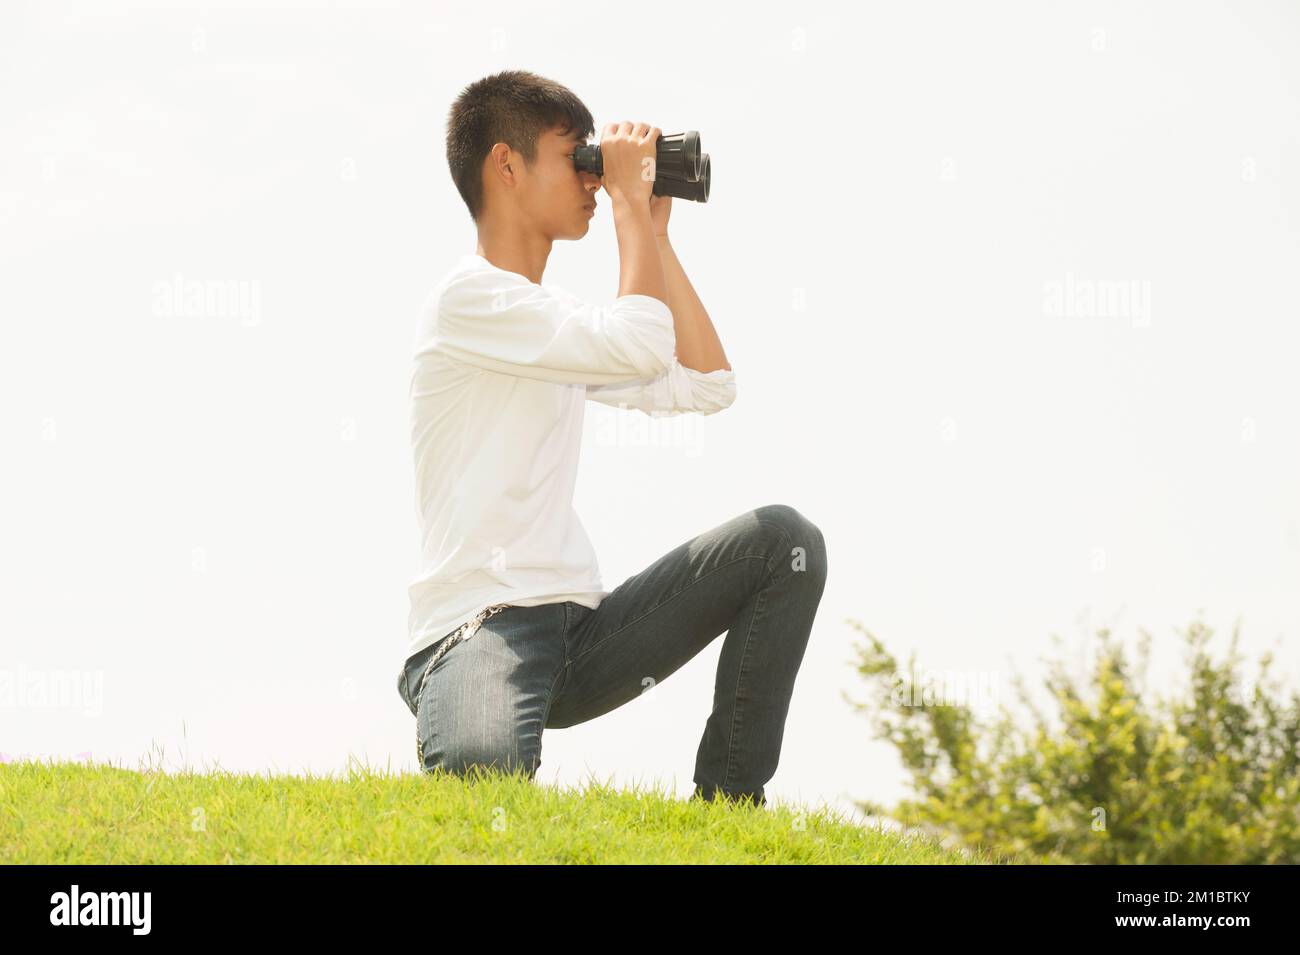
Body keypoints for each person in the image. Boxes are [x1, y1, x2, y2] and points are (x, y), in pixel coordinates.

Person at [396, 69, 827, 808]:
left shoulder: (557, 320)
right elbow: (634, 344)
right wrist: (631, 205)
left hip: (579, 629)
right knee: (481, 783)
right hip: (477, 630)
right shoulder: (467, 302)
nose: (595, 182)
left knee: (784, 542)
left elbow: (705, 383)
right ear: (507, 164)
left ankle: (727, 806)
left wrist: (654, 235)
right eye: (577, 160)